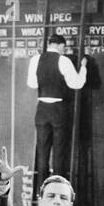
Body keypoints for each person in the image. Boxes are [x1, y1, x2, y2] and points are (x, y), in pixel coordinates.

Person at [26, 33, 89, 188]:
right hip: (58, 110)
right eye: (64, 47)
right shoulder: (63, 60)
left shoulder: (35, 60)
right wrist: (83, 67)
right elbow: (77, 84)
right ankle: (58, 188)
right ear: (61, 46)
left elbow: (32, 84)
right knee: (59, 151)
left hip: (41, 109)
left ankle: (43, 188)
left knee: (42, 151)